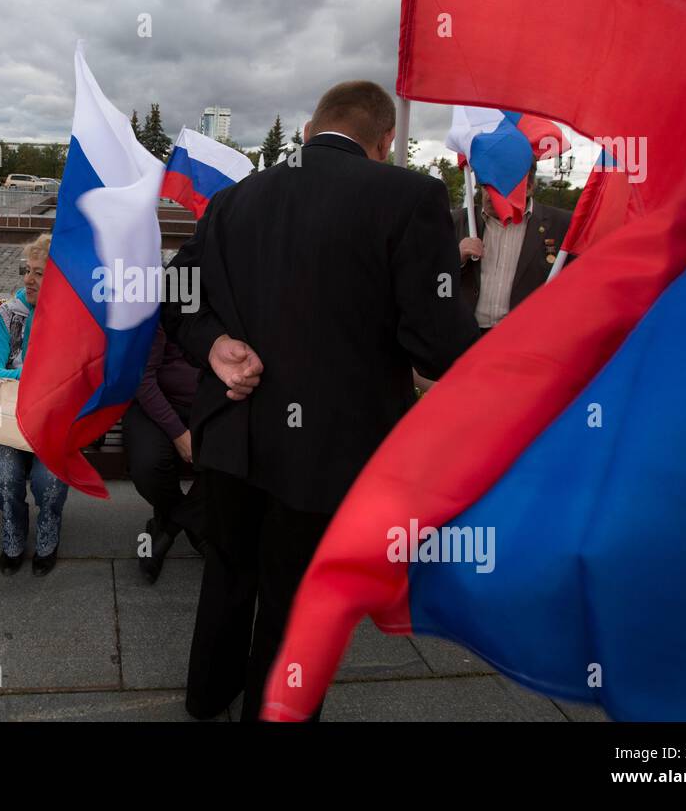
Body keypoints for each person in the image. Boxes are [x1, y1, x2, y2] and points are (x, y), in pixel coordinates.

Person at [162, 80, 479, 721]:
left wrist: (215, 343)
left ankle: (206, 696)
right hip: (327, 451)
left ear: (308, 130)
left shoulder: (233, 199)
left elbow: (178, 294)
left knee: (228, 572)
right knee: (297, 597)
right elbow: (438, 347)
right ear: (385, 142)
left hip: (228, 432)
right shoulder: (412, 196)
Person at [0, 233, 69, 577]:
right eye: (27, 270)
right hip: (8, 415)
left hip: (52, 419)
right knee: (3, 475)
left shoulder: (73, 320)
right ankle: (14, 525)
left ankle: (49, 525)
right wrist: (36, 374)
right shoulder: (11, 313)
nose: (27, 279)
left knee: (49, 480)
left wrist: (16, 372)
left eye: (39, 273)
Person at [123, 320, 206, 583]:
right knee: (148, 465)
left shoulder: (228, 300)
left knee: (230, 456)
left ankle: (167, 526)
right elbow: (143, 380)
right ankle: (193, 523)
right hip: (152, 402)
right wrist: (179, 435)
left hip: (212, 407)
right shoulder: (153, 302)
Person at [453, 162, 574, 332]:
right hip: (465, 336)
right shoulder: (458, 221)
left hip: (524, 338)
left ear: (529, 187)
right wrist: (455, 258)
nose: (488, 195)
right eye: (485, 186)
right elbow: (427, 277)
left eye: (499, 187)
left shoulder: (562, 225)